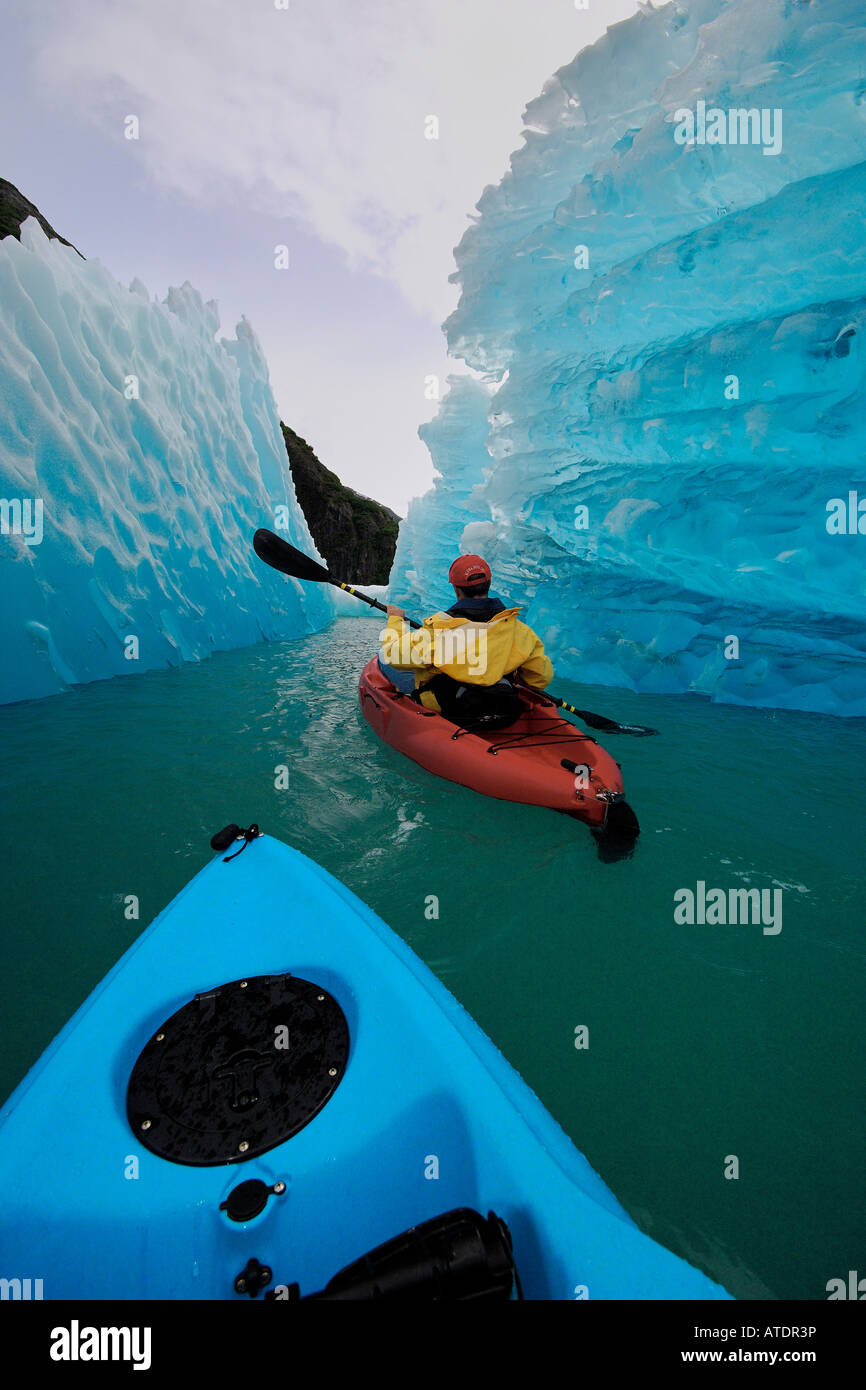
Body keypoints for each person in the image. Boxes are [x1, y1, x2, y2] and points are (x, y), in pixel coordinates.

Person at [381, 554, 553, 730]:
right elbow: (539, 679)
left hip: (453, 710)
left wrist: (396, 620)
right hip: (504, 709)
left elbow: (393, 654)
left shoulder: (440, 629)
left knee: (382, 663)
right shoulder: (519, 630)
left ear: (457, 589)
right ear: (489, 584)